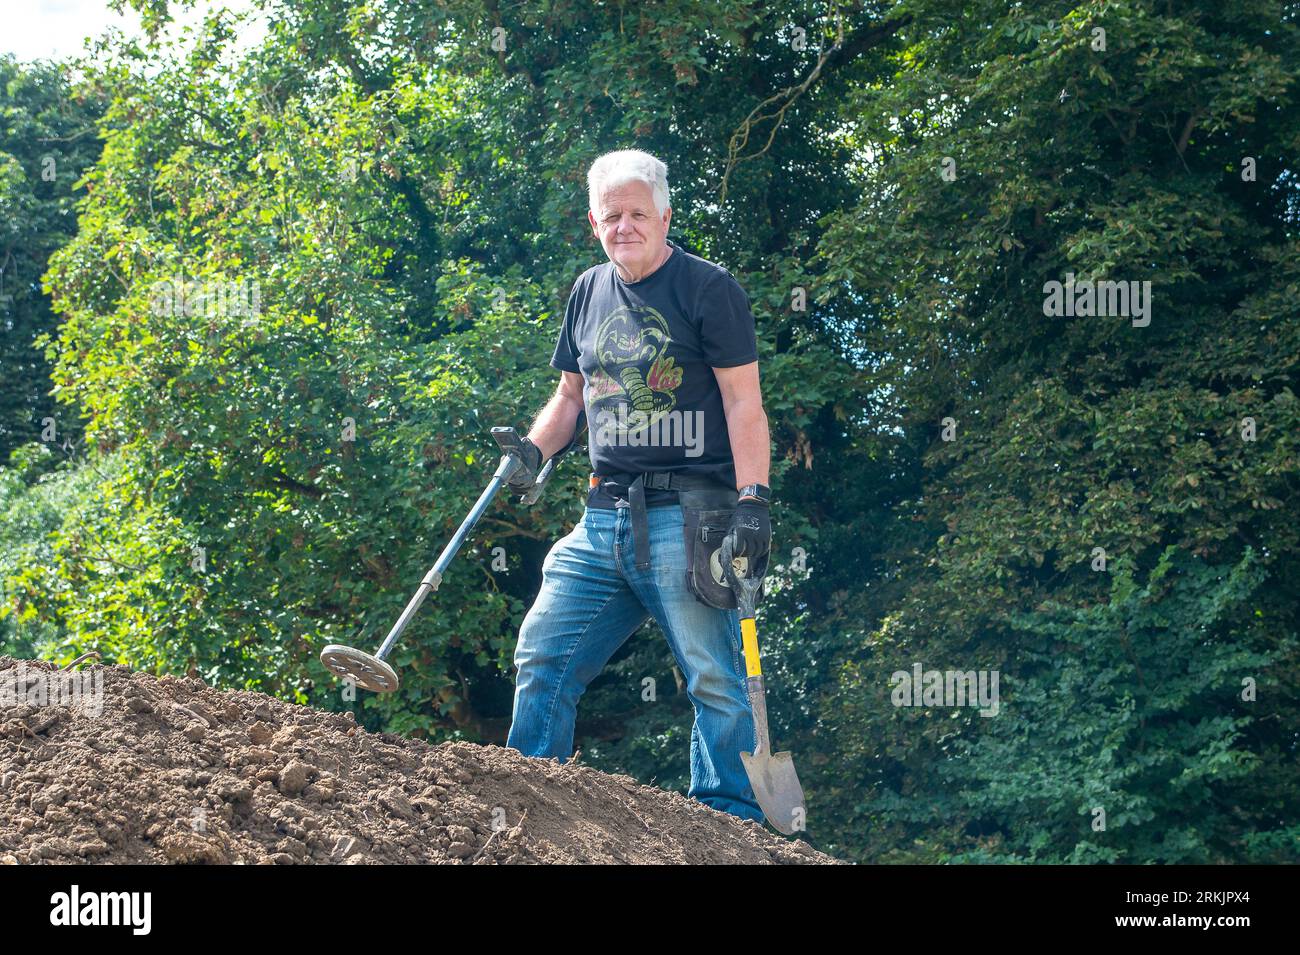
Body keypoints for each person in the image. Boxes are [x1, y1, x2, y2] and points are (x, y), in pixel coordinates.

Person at [503, 148, 773, 823]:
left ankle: (726, 823)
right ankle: (528, 798)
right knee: (543, 651)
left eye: (637, 214)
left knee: (714, 676)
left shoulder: (709, 289)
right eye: (611, 215)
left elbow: (744, 403)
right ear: (593, 220)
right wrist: (534, 450)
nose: (624, 225)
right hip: (602, 517)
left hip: (691, 516)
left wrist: (754, 500)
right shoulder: (588, 290)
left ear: (665, 216)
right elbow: (570, 396)